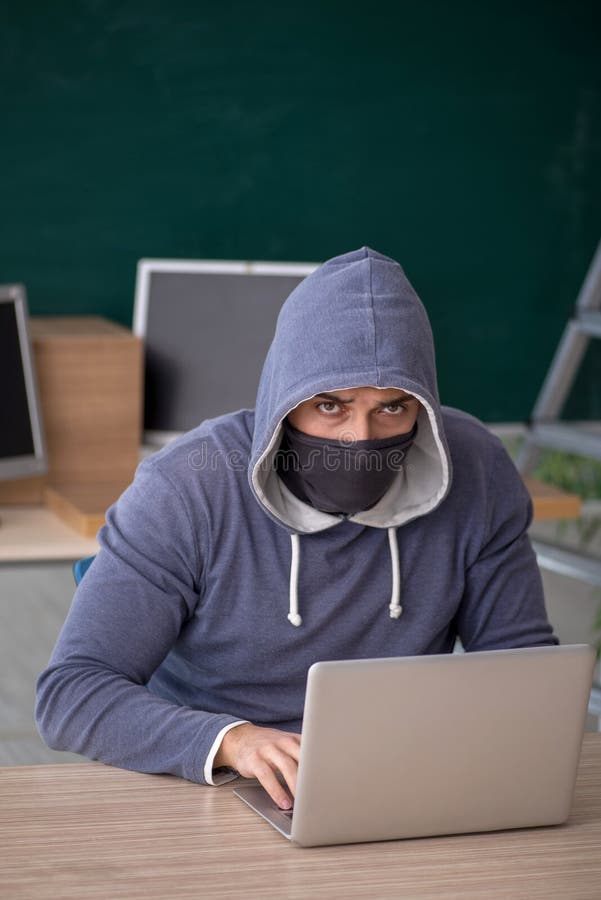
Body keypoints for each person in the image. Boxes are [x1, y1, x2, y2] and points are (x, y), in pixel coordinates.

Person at [35, 246, 557, 810]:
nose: (361, 438)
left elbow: (522, 672)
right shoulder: (186, 487)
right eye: (330, 406)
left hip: (399, 781)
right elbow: (72, 693)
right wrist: (231, 741)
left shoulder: (477, 470)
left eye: (393, 407)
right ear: (284, 403)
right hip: (211, 784)